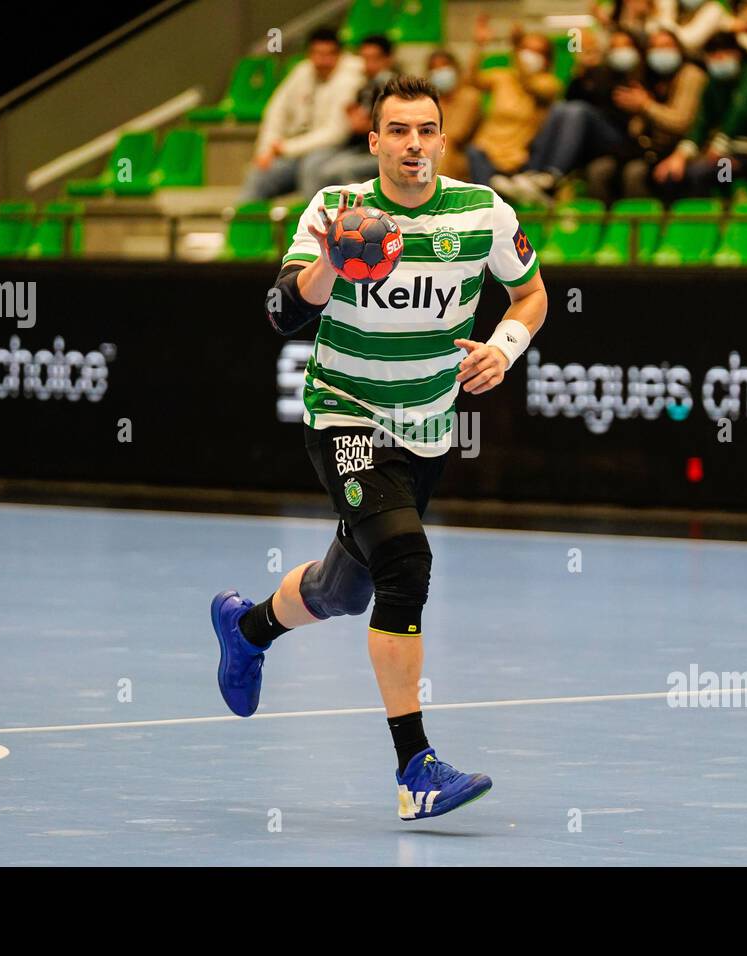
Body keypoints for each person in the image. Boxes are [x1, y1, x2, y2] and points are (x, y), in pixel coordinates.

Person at [214, 75, 548, 822]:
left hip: (426, 428)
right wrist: (336, 262)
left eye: (427, 129)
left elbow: (532, 293)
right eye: (398, 131)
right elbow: (280, 313)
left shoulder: (483, 212)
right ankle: (416, 769)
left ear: (442, 137)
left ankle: (247, 627)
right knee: (406, 560)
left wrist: (504, 346)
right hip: (345, 415)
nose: (414, 145)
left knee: (347, 588)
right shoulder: (335, 211)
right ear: (373, 142)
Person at [490, 29, 644, 204]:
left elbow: (614, 113)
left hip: (621, 138)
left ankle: (553, 175)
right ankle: (533, 174)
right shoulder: (601, 72)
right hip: (591, 137)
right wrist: (582, 73)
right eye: (615, 47)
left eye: (625, 46)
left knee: (578, 110)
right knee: (560, 108)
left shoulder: (643, 75)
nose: (620, 52)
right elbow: (573, 100)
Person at [239, 27, 363, 203]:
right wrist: (266, 149)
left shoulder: (351, 78)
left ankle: (311, 226)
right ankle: (243, 227)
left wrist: (285, 148)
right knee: (260, 172)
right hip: (295, 147)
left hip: (335, 148)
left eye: (329, 54)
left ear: (339, 55)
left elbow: (336, 133)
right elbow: (276, 111)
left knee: (312, 166)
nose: (323, 60)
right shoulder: (302, 71)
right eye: (318, 54)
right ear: (309, 54)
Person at [651, 31, 747, 201]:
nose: (719, 59)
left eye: (723, 53)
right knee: (672, 174)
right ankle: (685, 223)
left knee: (713, 173)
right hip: (722, 152)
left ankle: (723, 213)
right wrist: (681, 154)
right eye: (713, 55)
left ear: (737, 54)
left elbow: (741, 111)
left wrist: (719, 145)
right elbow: (702, 121)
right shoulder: (714, 83)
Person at [585, 28, 707, 202]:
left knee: (634, 173)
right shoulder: (643, 76)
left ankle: (642, 226)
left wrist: (646, 106)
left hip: (683, 148)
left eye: (667, 46)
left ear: (679, 49)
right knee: (598, 170)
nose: (661, 52)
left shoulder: (691, 75)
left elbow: (681, 122)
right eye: (655, 48)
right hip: (644, 149)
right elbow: (634, 128)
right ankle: (603, 227)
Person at [466, 15, 563, 185]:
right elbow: (471, 80)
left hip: (519, 157)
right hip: (485, 150)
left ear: (547, 59)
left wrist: (515, 47)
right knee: (474, 155)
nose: (529, 55)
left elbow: (528, 83)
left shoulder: (548, 83)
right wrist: (479, 46)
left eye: (537, 51)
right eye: (525, 49)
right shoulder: (504, 76)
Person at [302, 35, 400, 198]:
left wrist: (367, 124)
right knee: (313, 163)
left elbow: (397, 126)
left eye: (374, 58)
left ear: (388, 59)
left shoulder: (395, 87)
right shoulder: (365, 85)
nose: (368, 64)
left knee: (336, 170)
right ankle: (316, 214)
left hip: (384, 152)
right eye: (365, 58)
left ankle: (352, 215)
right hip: (361, 147)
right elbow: (357, 117)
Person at [426, 50, 483, 181]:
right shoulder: (431, 100)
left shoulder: (470, 97)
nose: (439, 71)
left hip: (460, 154)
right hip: (432, 151)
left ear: (455, 68)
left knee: (444, 145)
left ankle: (429, 193)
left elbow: (457, 134)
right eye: (434, 68)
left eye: (443, 66)